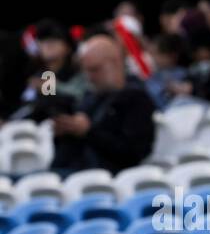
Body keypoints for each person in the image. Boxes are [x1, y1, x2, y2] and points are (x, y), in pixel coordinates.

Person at [50, 33, 155, 175]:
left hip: (109, 178)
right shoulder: (88, 99)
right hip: (74, 173)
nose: (89, 77)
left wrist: (89, 132)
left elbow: (132, 154)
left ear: (116, 64)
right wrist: (64, 132)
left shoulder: (136, 99)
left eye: (95, 70)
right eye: (86, 70)